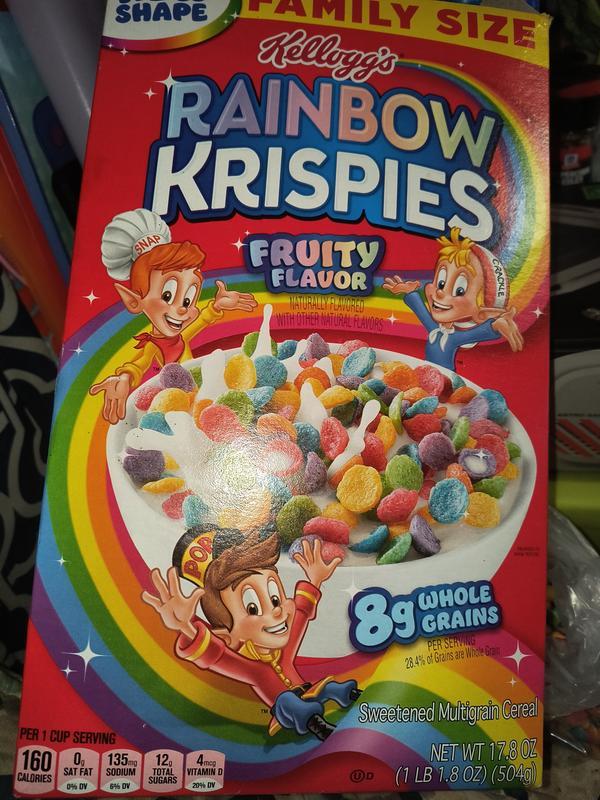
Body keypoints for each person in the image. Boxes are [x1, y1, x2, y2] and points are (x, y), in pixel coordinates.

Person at [142, 528, 360, 741]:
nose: (277, 611)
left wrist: (315, 580)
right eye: (253, 608)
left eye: (275, 599)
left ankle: (350, 697)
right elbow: (217, 657)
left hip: (308, 690)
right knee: (289, 703)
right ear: (226, 636)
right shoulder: (252, 669)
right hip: (286, 708)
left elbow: (300, 616)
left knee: (330, 688)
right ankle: (317, 725)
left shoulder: (282, 652)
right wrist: (185, 627)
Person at [90, 209, 257, 423]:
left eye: (187, 300)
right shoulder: (154, 345)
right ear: (133, 300)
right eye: (167, 296)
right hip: (175, 404)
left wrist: (216, 307)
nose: (182, 309)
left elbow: (199, 323)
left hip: (201, 393)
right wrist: (124, 377)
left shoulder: (179, 338)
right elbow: (139, 363)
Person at [383, 227, 524, 370]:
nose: (440, 293)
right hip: (424, 373)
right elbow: (421, 312)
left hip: (448, 378)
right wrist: (410, 291)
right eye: (441, 283)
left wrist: (495, 325)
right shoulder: (433, 329)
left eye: (459, 290)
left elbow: (475, 334)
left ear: (481, 312)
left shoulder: (454, 338)